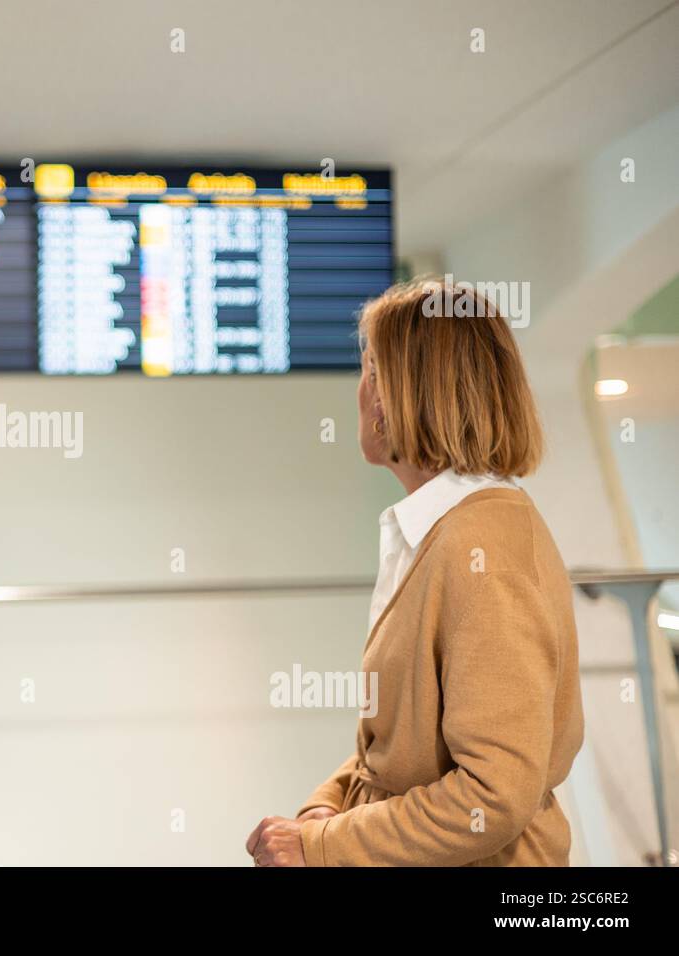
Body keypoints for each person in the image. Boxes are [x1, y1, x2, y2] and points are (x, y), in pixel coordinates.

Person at [247, 278, 584, 866]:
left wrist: (323, 846)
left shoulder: (484, 550)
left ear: (399, 395)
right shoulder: (439, 532)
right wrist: (326, 808)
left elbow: (493, 794)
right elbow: (402, 753)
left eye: (371, 371)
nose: (360, 390)